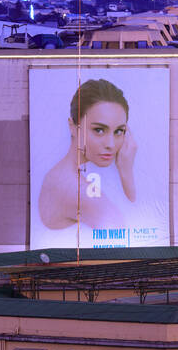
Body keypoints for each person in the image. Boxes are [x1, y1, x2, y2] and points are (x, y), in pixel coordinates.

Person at [37, 78, 139, 234]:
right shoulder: (74, 188)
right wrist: (127, 173)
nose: (110, 144)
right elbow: (124, 234)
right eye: (99, 130)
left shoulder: (61, 174)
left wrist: (125, 171)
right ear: (73, 127)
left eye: (118, 131)